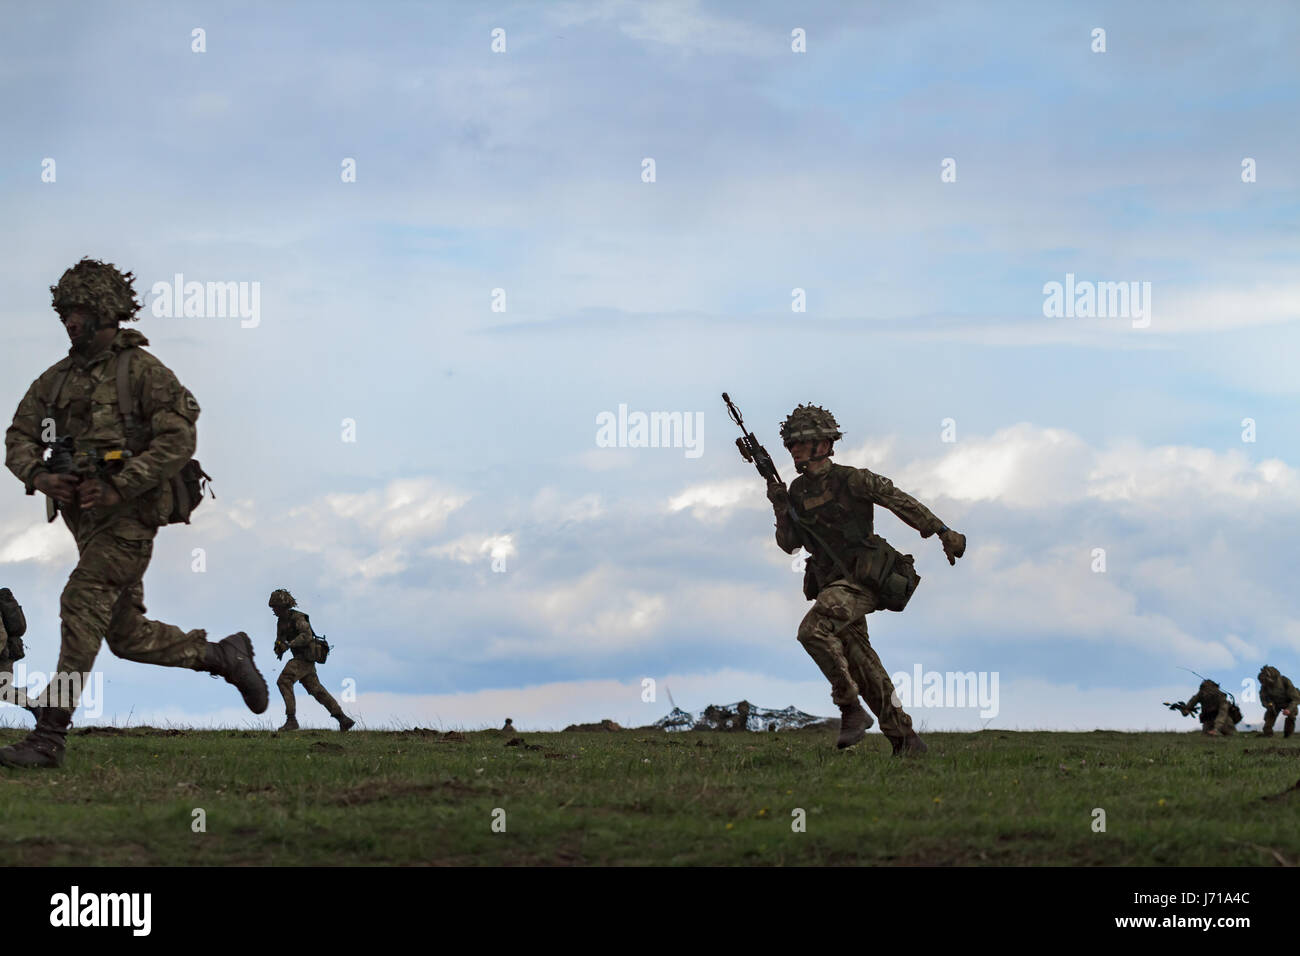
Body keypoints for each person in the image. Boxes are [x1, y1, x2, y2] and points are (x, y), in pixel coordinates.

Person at [1, 258, 267, 769]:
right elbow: (19, 436)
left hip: (130, 520)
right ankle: (222, 655)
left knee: (80, 600)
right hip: (85, 523)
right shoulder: (54, 381)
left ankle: (48, 736)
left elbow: (179, 439)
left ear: (105, 312)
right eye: (65, 312)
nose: (70, 322)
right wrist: (39, 476)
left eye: (79, 311)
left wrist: (121, 485)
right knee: (125, 636)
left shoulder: (141, 372)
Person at [764, 404, 965, 755]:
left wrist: (942, 531)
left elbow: (898, 500)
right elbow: (789, 545)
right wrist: (780, 505)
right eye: (791, 445)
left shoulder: (852, 479)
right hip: (832, 585)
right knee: (860, 660)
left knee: (813, 630)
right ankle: (906, 741)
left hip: (865, 578)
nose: (794, 451)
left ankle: (850, 709)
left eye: (802, 443)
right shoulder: (796, 492)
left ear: (824, 445)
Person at [269, 589, 354, 731]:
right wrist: (279, 647)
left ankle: (291, 720)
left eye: (275, 606)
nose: (274, 610)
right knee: (317, 690)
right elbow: (280, 640)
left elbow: (307, 636)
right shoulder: (281, 622)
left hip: (305, 658)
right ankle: (342, 719)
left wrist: (289, 644)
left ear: (283, 605)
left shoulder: (298, 618)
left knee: (284, 681)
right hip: (301, 660)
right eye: (273, 607)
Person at [1168, 679, 1237, 736]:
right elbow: (1188, 708)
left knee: (1230, 735)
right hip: (1208, 722)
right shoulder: (1201, 694)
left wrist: (1216, 729)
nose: (1207, 693)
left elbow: (1223, 713)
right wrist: (1183, 709)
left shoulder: (1221, 696)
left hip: (1225, 723)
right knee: (1206, 738)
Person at [1257, 665, 1300, 738]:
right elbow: (1263, 699)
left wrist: (1289, 709)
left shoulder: (1284, 681)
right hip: (1275, 704)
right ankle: (1268, 734)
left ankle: (1288, 735)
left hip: (1289, 702)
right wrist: (1269, 705)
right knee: (1270, 715)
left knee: (1291, 716)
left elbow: (1296, 699)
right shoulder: (1265, 686)